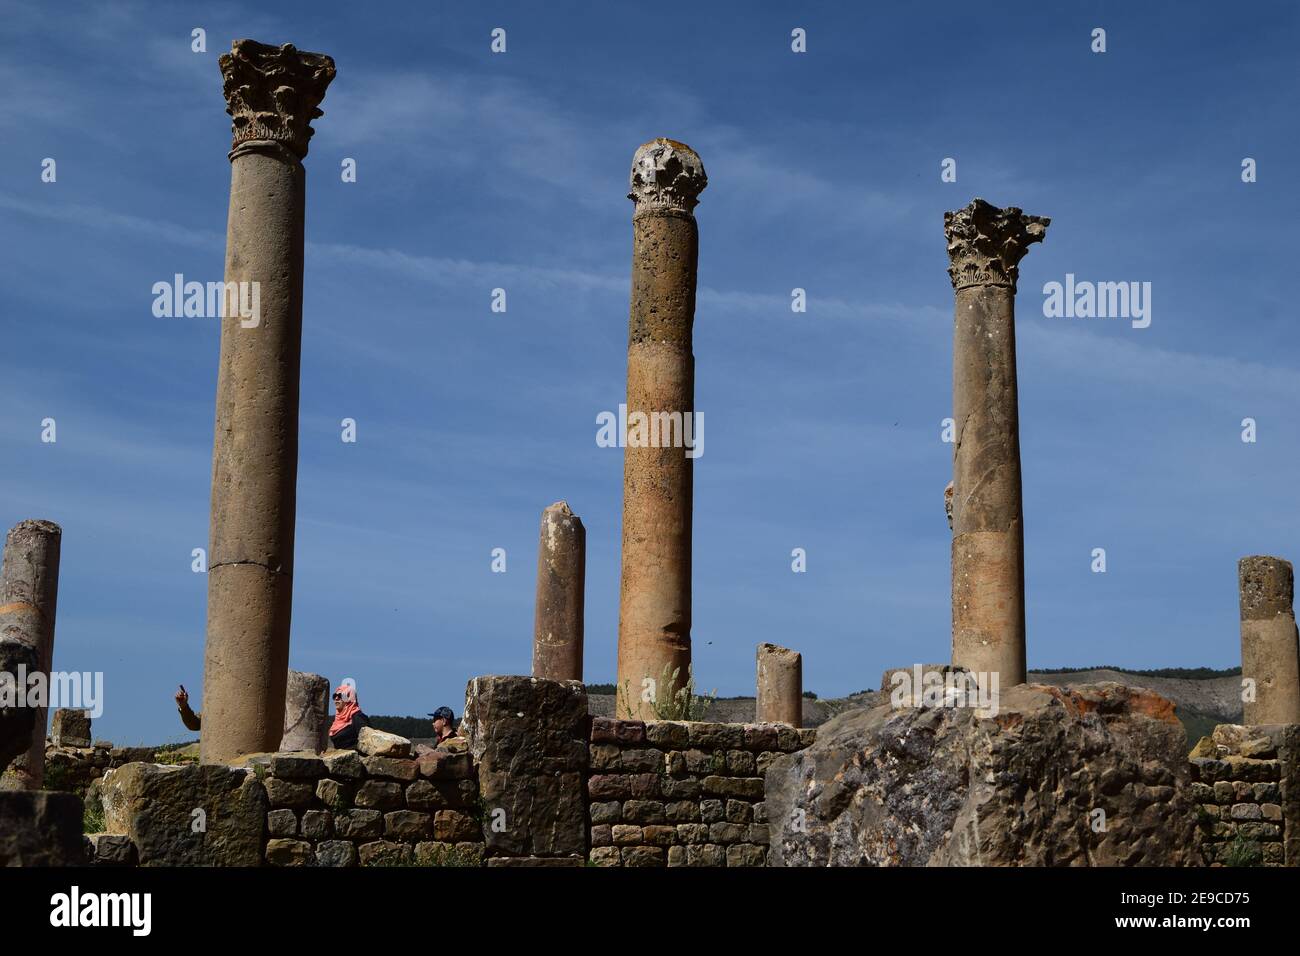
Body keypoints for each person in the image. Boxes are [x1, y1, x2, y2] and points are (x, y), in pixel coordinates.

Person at [329, 683, 368, 749]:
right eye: (334, 696)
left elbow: (368, 742)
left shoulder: (358, 717)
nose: (336, 698)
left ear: (350, 698)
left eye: (340, 696)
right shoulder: (337, 720)